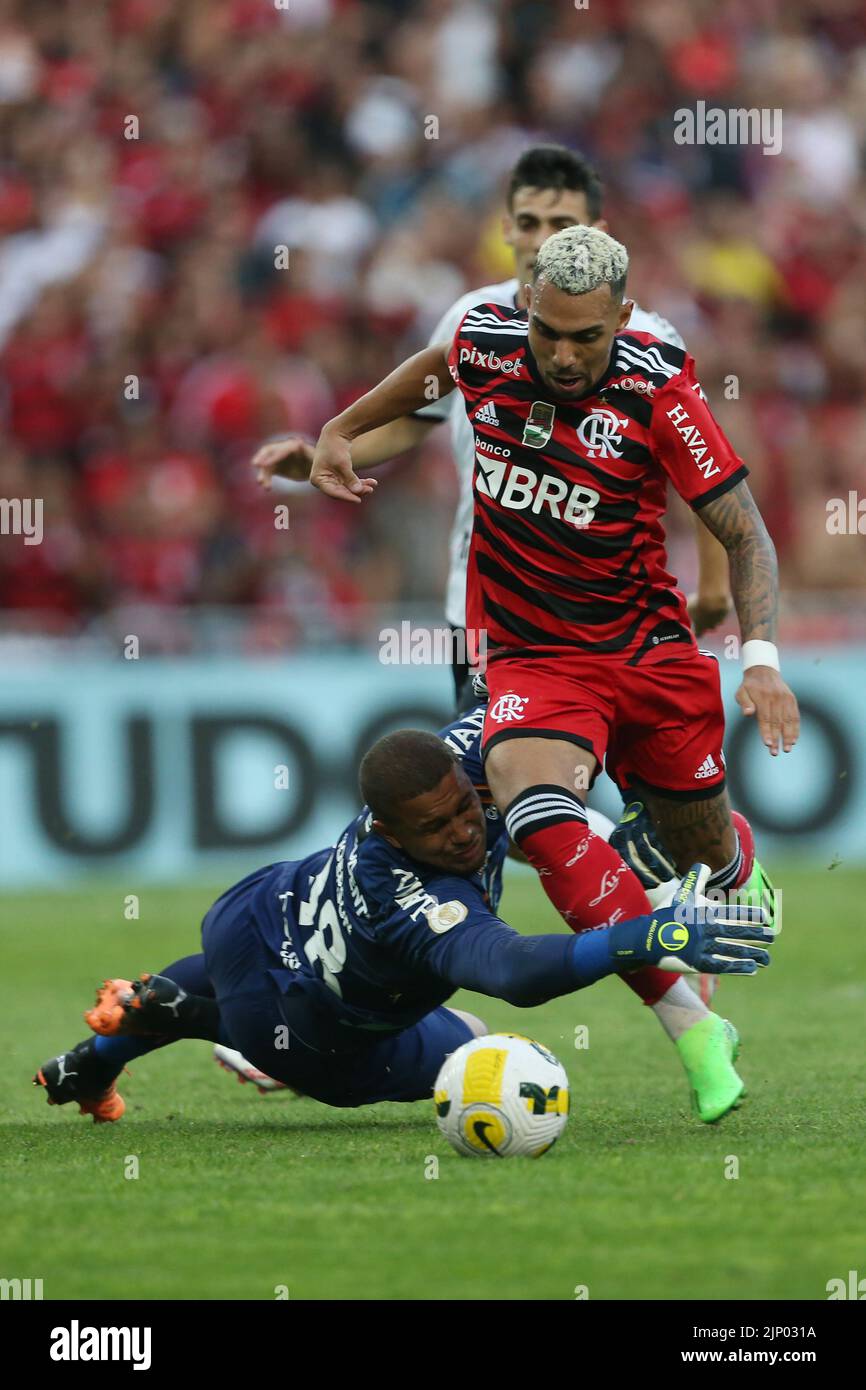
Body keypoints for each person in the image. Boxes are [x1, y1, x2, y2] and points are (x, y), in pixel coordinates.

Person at [304, 222, 797, 1031]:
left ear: (624, 318)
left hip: (646, 650)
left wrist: (764, 661)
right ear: (525, 305)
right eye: (548, 332)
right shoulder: (484, 344)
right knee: (536, 815)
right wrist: (340, 430)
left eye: (587, 338)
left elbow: (745, 531)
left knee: (700, 847)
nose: (563, 357)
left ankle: (729, 857)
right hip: (535, 658)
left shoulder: (660, 389)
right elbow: (430, 372)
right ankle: (691, 1026)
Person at [33, 713, 772, 1128]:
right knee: (480, 1041)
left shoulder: (460, 758)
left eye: (463, 807)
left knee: (247, 977)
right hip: (315, 1035)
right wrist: (652, 933)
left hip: (253, 912)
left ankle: (88, 1068)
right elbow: (512, 972)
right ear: (390, 833)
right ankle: (198, 1018)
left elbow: (539, 716)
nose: (464, 834)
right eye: (436, 829)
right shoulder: (410, 897)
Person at [251, 146, 732, 707]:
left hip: (612, 613)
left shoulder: (650, 339)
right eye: (529, 223)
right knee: (497, 785)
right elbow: (414, 419)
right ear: (506, 228)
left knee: (635, 790)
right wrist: (323, 456)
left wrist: (716, 587)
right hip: (486, 609)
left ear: (597, 231)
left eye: (562, 224)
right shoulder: (470, 319)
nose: (542, 239)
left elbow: (703, 471)